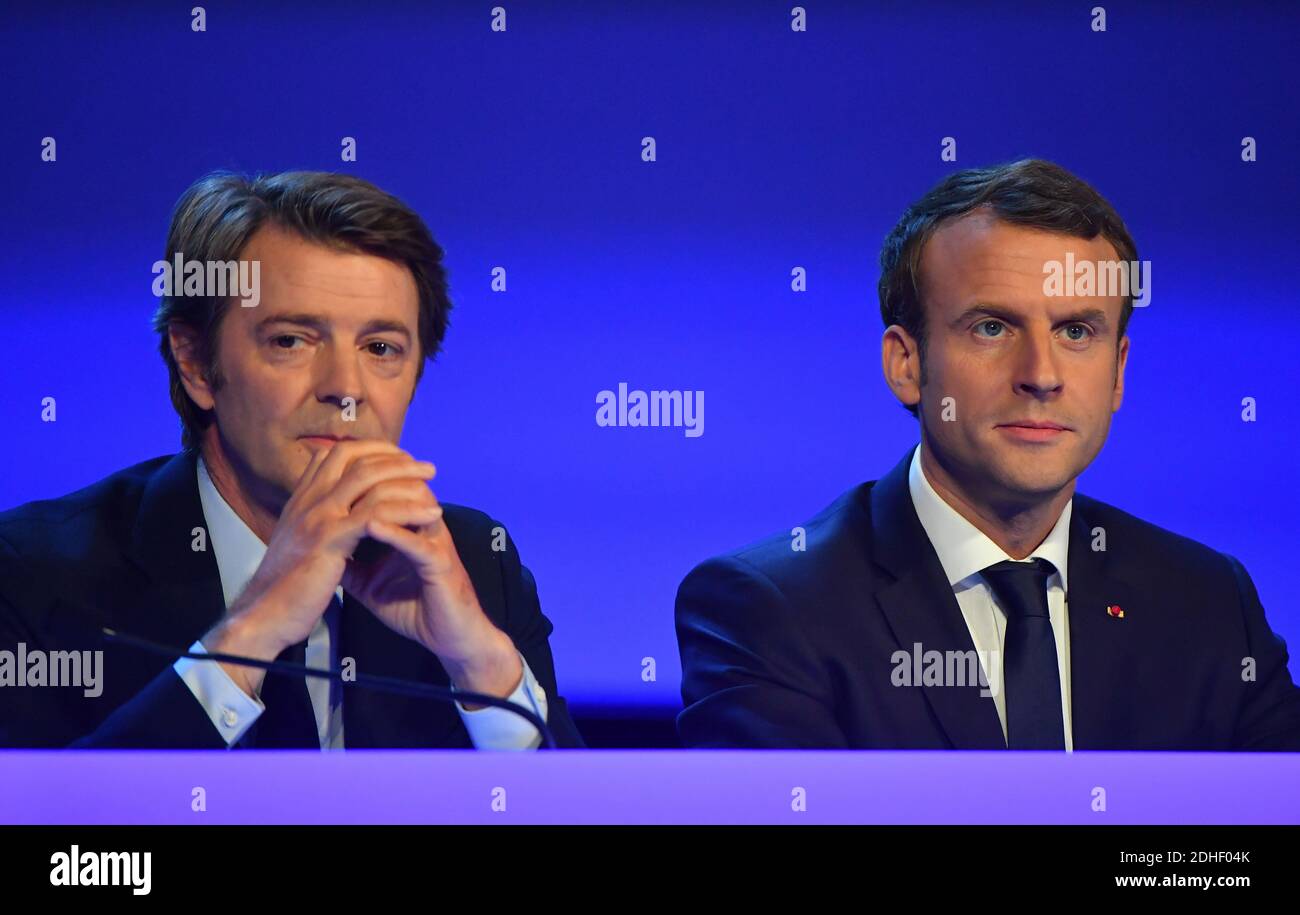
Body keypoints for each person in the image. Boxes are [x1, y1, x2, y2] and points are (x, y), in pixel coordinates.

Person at [675, 158, 1300, 750]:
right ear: (907, 364)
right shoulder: (774, 610)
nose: (1041, 375)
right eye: (992, 327)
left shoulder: (1208, 603)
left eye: (1076, 331)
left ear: (1118, 373)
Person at [0, 171, 583, 749]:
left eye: (381, 348)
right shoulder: (35, 575)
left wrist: (481, 667)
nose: (345, 388)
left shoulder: (474, 565)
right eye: (292, 340)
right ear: (197, 364)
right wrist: (251, 631)